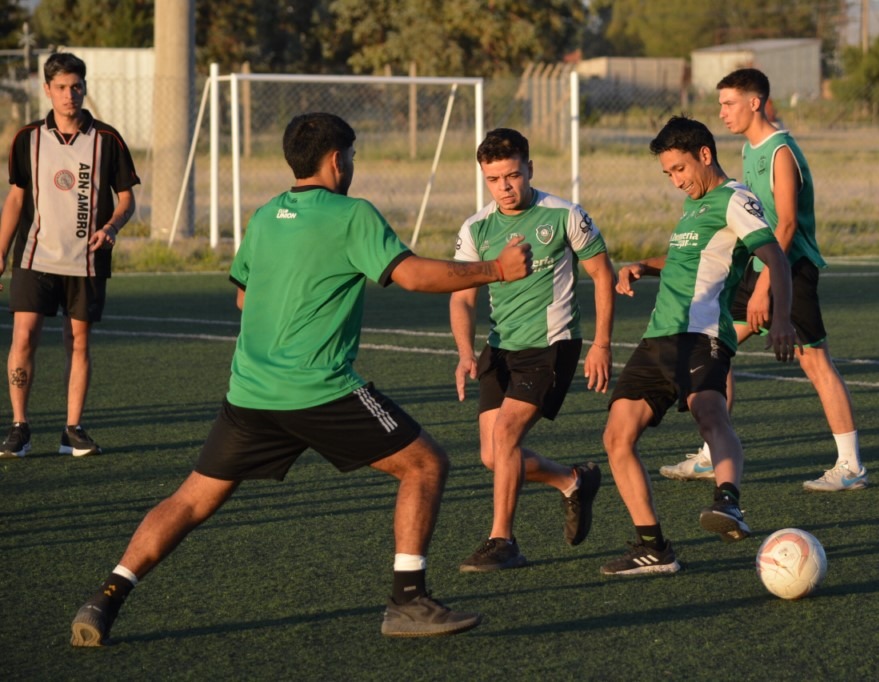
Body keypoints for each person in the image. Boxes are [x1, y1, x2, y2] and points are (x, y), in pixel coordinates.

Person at [69, 112, 534, 646]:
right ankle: (407, 602)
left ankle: (104, 598)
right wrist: (496, 269)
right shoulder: (351, 214)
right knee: (427, 464)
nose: (352, 166)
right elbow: (410, 275)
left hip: (250, 393)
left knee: (192, 499)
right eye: (351, 157)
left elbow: (244, 295)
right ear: (336, 160)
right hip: (319, 390)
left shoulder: (266, 216)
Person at [600, 115, 798, 576]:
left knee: (709, 411)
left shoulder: (735, 200)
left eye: (680, 170)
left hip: (702, 333)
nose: (675, 181)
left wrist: (782, 318)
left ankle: (728, 503)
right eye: (668, 173)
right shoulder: (696, 205)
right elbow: (690, 256)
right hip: (658, 338)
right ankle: (653, 547)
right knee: (617, 436)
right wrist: (643, 267)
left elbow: (775, 258)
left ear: (705, 155)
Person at [660, 68, 868, 492]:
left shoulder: (779, 152)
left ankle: (850, 466)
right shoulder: (750, 149)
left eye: (729, 103)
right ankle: (710, 454)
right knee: (716, 349)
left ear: (755, 103)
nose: (722, 112)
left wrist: (764, 289)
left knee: (816, 363)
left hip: (790, 271)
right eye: (720, 104)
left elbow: (787, 228)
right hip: (758, 270)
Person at [450, 128, 615, 571]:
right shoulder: (476, 227)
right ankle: (573, 480)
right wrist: (466, 352)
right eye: (494, 178)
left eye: (512, 175)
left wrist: (601, 344)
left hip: (551, 347)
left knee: (505, 438)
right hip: (499, 349)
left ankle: (502, 540)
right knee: (492, 456)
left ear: (529, 169)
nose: (504, 187)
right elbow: (463, 295)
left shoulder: (564, 215)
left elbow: (602, 275)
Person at [0, 52, 139, 459]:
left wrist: (112, 227)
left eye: (75, 86)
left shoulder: (108, 139)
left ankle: (72, 430)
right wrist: (1, 249)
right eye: (60, 87)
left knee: (78, 342)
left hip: (86, 260)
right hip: (34, 256)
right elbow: (15, 199)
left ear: (84, 87)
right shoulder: (26, 138)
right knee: (23, 337)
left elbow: (128, 199)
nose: (69, 94)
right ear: (47, 90)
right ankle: (19, 428)